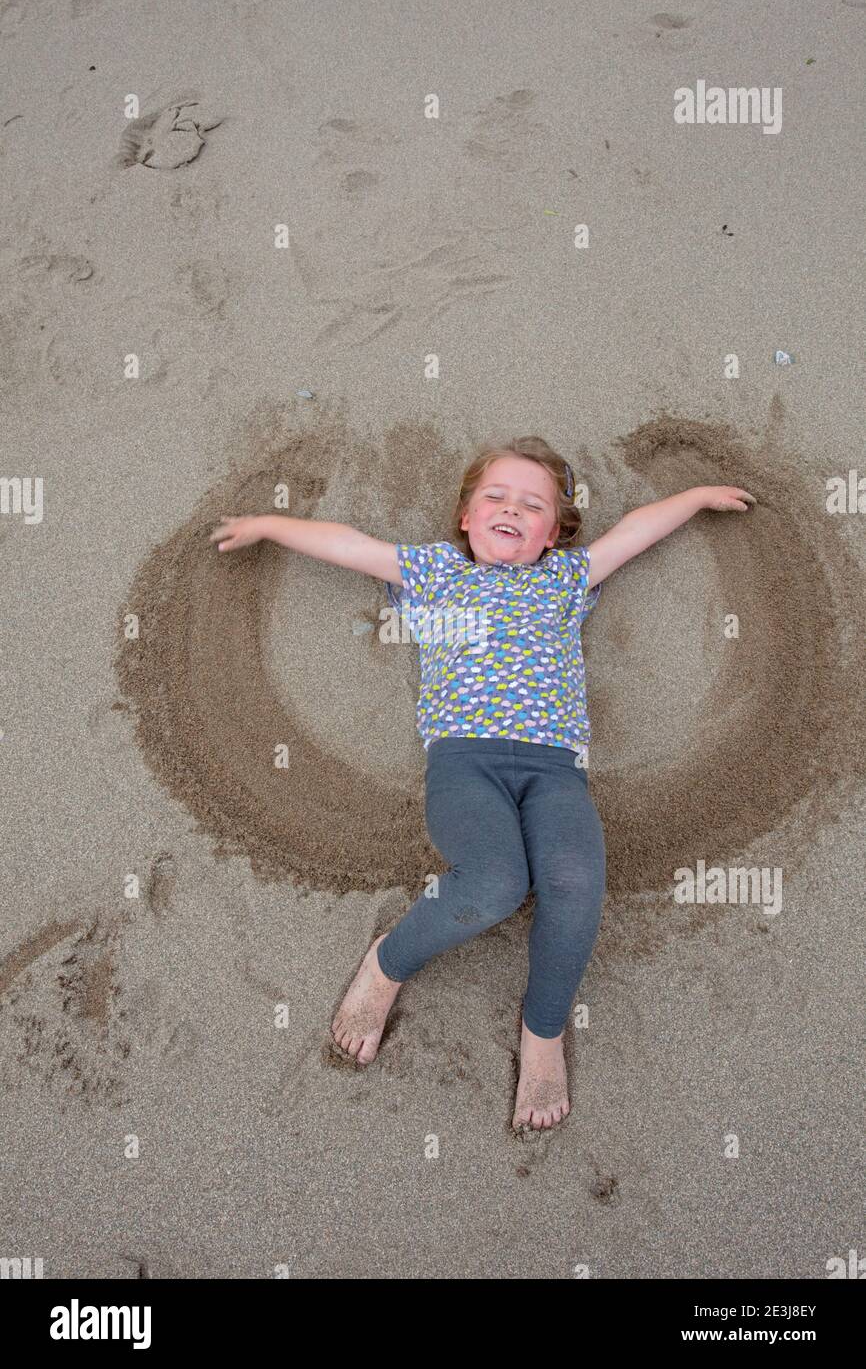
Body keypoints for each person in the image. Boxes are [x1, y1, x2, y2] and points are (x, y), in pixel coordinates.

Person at [209, 434, 756, 1131]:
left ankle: (544, 1031)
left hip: (555, 768)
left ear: (553, 534)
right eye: (495, 497)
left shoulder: (563, 578)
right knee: (496, 883)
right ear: (465, 517)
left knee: (575, 881)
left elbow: (635, 533)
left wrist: (699, 497)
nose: (511, 509)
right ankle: (386, 964)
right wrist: (266, 525)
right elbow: (346, 545)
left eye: (533, 506)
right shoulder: (433, 569)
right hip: (465, 762)